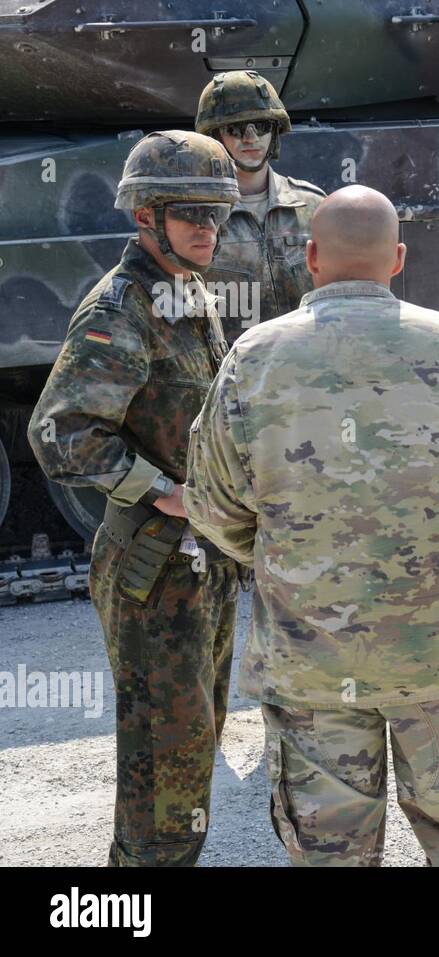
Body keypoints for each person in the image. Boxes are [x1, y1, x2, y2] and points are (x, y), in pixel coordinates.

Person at [184, 185, 439, 866]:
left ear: (311, 256)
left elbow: (215, 504)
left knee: (330, 857)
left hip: (314, 664)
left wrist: (290, 557)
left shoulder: (253, 360)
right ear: (398, 257)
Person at [28, 130, 242, 865]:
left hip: (199, 564)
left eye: (218, 215)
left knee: (190, 755)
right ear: (144, 217)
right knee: (164, 782)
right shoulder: (122, 308)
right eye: (191, 215)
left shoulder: (186, 291)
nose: (208, 230)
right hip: (155, 570)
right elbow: (59, 433)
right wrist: (162, 490)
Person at [195, 70, 325, 342]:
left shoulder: (313, 207)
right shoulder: (197, 216)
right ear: (216, 137)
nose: (251, 137)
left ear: (275, 132)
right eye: (236, 128)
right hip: (235, 371)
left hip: (305, 363)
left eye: (262, 126)